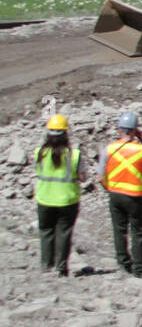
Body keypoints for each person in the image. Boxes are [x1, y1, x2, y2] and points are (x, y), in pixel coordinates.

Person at [100, 111, 142, 278]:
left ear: (119, 129)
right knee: (138, 232)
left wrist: (109, 188)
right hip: (136, 197)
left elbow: (100, 175)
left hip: (115, 194)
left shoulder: (109, 149)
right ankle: (139, 269)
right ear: (135, 130)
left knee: (119, 230)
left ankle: (123, 264)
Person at [33, 114, 87, 276]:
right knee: (64, 233)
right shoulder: (74, 154)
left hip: (45, 198)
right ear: (65, 134)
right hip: (67, 200)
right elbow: (83, 177)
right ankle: (61, 268)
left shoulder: (39, 153)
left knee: (46, 232)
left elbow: (39, 172)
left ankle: (46, 266)